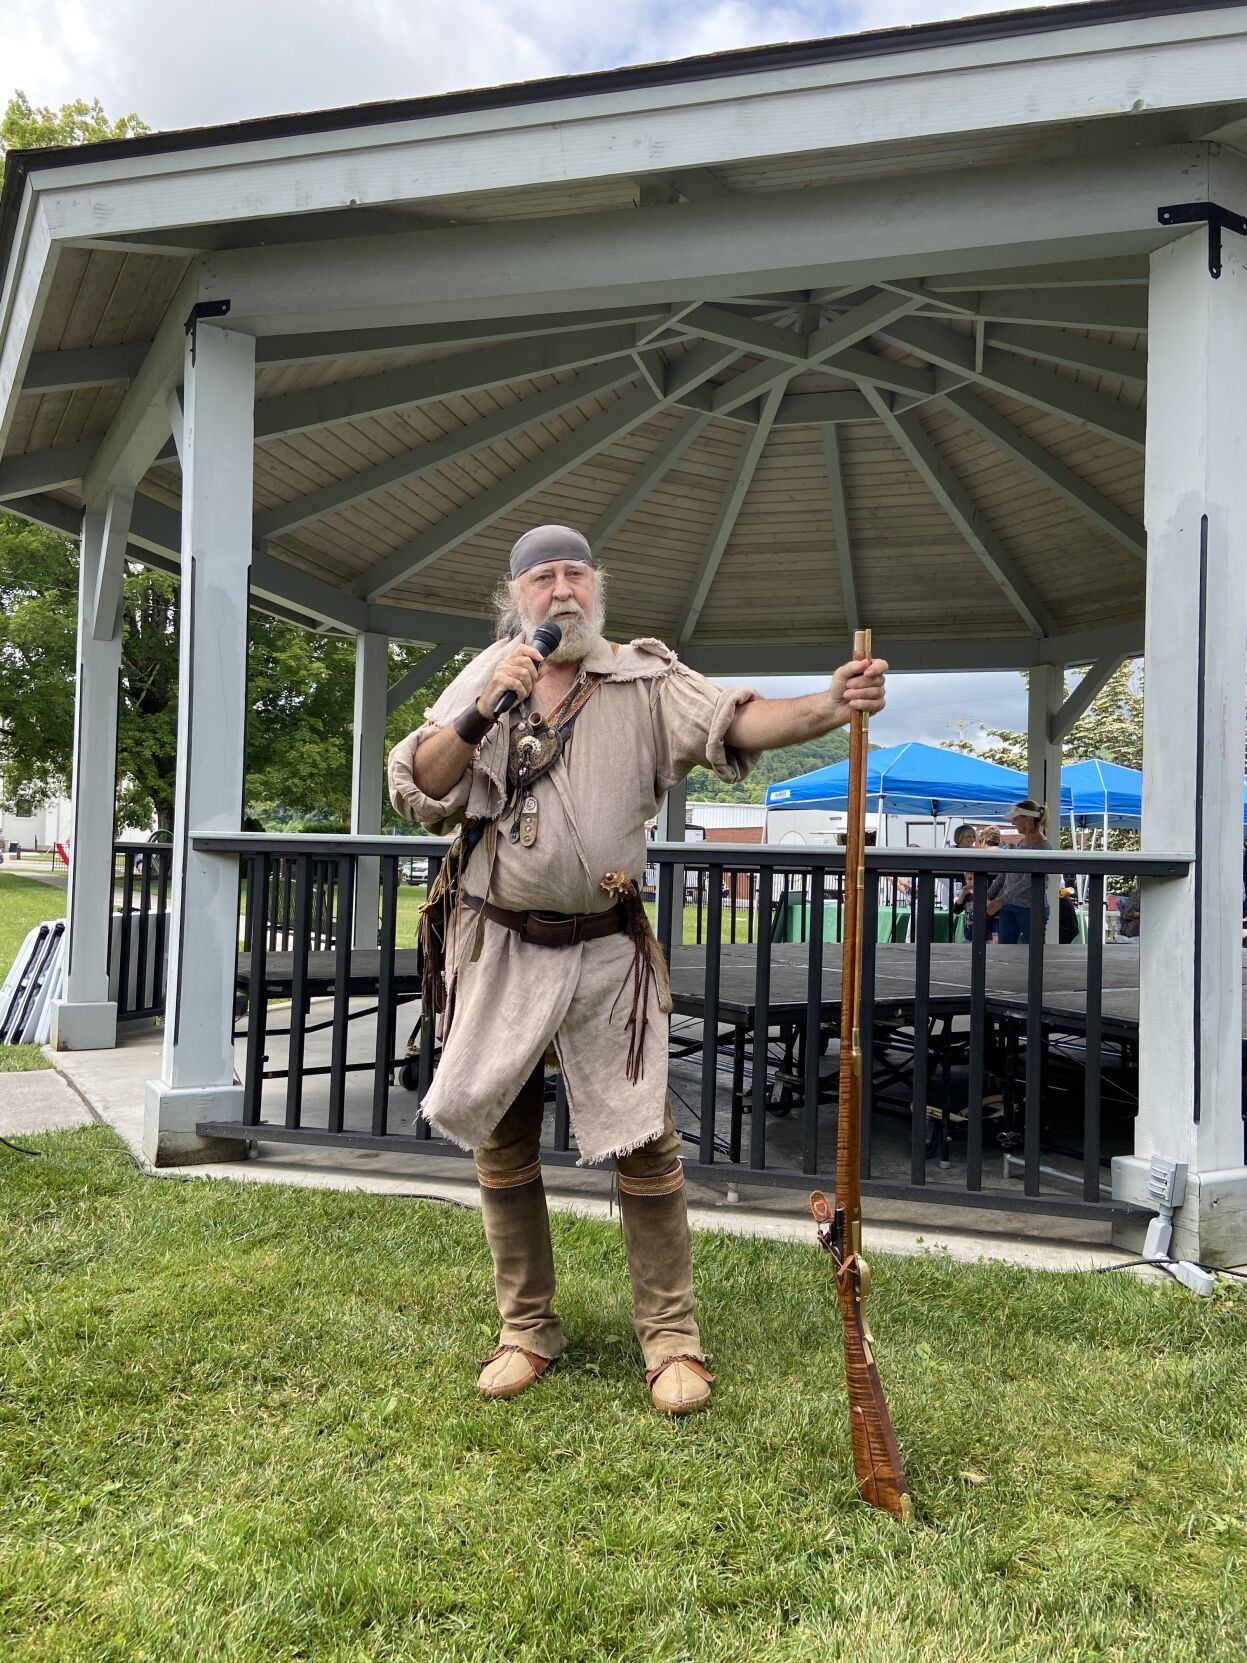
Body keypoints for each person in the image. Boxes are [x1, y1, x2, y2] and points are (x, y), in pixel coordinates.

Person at [388, 524, 887, 1415]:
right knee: (502, 1137)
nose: (562, 589)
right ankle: (525, 1328)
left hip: (607, 951)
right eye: (542, 577)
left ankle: (670, 1340)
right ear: (515, 596)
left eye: (576, 572)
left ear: (598, 584)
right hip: (498, 944)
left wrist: (828, 704)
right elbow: (421, 783)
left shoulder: (644, 679)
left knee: (645, 1141)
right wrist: (478, 709)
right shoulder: (488, 673)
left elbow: (736, 719)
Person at [986, 801, 1050, 944]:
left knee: (1034, 950)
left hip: (1031, 909)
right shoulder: (1022, 843)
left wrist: (1000, 901)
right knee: (1006, 950)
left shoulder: (1043, 847)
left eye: (1015, 818)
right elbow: (1008, 872)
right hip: (1010, 906)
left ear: (1027, 819)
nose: (1013, 823)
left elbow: (1028, 881)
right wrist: (990, 894)